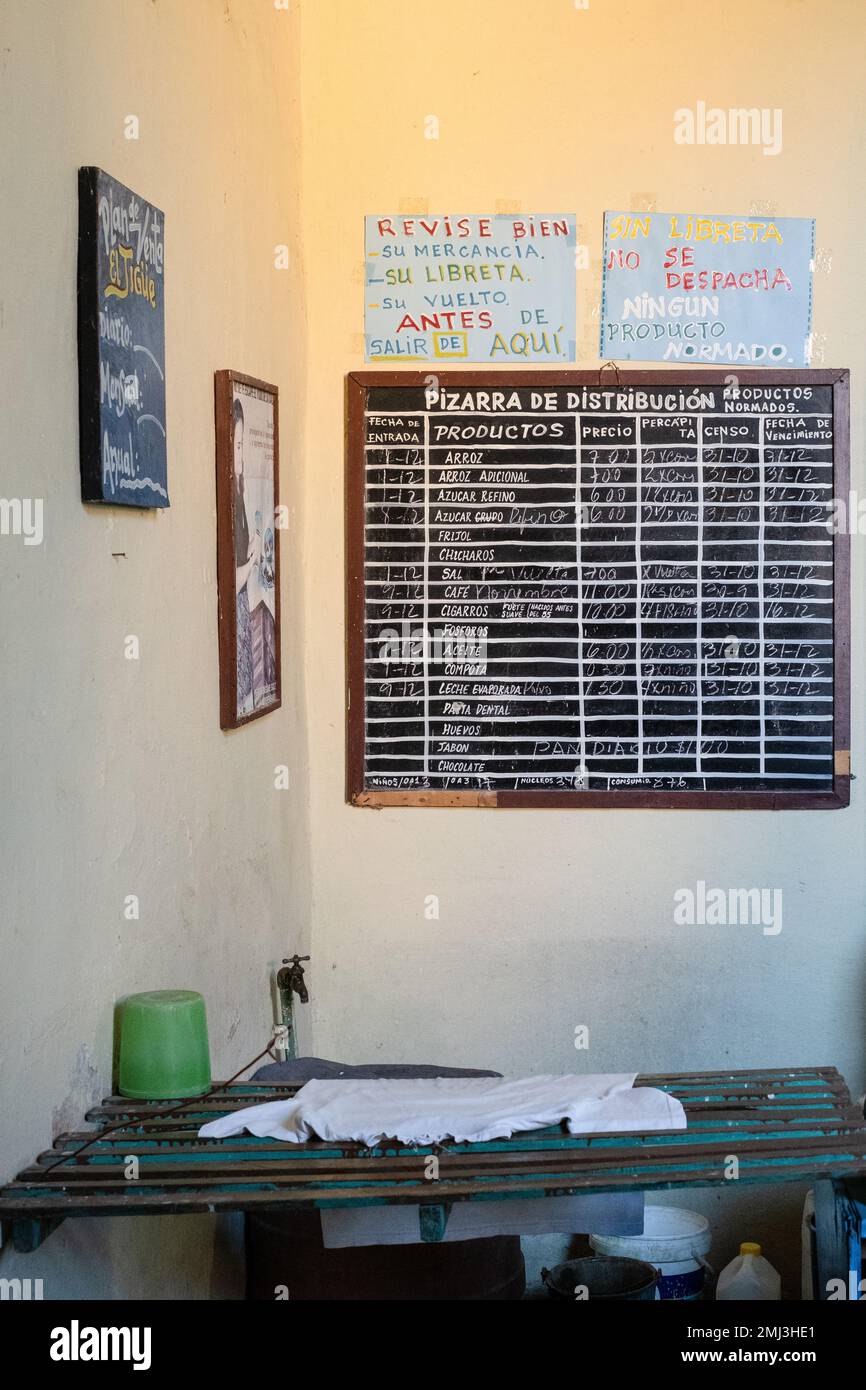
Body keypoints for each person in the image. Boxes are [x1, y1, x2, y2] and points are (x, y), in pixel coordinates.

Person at [232, 397, 259, 715]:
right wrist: (252, 559)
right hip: (237, 624)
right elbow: (234, 581)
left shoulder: (238, 498)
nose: (241, 457)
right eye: (237, 446)